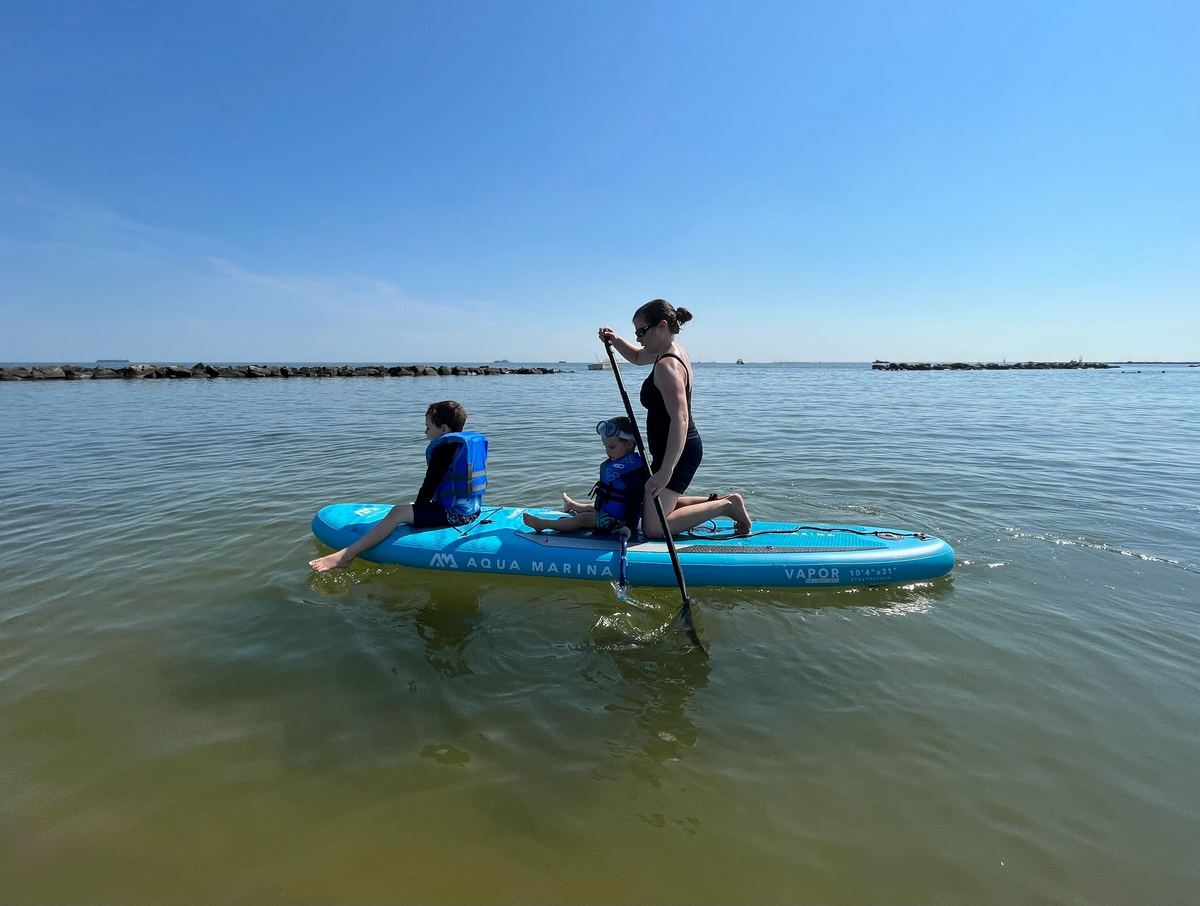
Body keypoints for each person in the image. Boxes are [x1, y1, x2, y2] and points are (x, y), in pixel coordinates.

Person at [598, 299, 752, 538]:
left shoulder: (667, 366)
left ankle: (726, 506)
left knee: (654, 528)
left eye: (641, 331)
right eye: (635, 333)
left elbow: (680, 418)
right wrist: (615, 340)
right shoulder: (669, 351)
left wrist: (666, 470)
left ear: (661, 326)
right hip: (673, 449)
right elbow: (638, 357)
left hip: (678, 452)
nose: (639, 338)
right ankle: (720, 501)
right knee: (653, 505)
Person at [309, 400, 487, 572]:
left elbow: (429, 485)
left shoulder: (444, 449)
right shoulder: (464, 445)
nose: (425, 432)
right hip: (472, 511)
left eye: (428, 427)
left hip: (455, 515)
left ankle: (346, 556)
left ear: (443, 429)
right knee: (408, 508)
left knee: (398, 512)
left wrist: (418, 510)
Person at [522, 417, 648, 537]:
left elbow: (634, 502)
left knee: (582, 519)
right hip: (610, 514)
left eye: (612, 447)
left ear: (630, 444)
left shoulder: (633, 472)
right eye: (605, 447)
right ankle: (573, 506)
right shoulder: (622, 464)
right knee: (592, 507)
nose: (608, 452)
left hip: (619, 523)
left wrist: (629, 527)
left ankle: (543, 524)